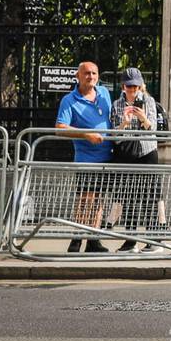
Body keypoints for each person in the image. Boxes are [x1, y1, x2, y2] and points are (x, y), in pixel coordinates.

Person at [55, 60, 113, 253]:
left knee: (98, 200)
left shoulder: (104, 93)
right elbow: (60, 128)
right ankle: (77, 238)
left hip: (107, 156)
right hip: (86, 158)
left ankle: (93, 240)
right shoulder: (69, 100)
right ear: (78, 76)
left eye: (94, 73)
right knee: (85, 199)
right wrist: (85, 134)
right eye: (87, 73)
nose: (91, 77)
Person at [109, 67, 160, 252]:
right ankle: (130, 240)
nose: (132, 90)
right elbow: (115, 136)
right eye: (129, 87)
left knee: (150, 197)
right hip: (127, 154)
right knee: (129, 197)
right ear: (123, 86)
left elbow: (153, 130)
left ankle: (153, 240)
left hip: (147, 152)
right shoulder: (117, 105)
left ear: (141, 86)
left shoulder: (149, 101)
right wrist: (124, 123)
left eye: (136, 87)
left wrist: (143, 118)